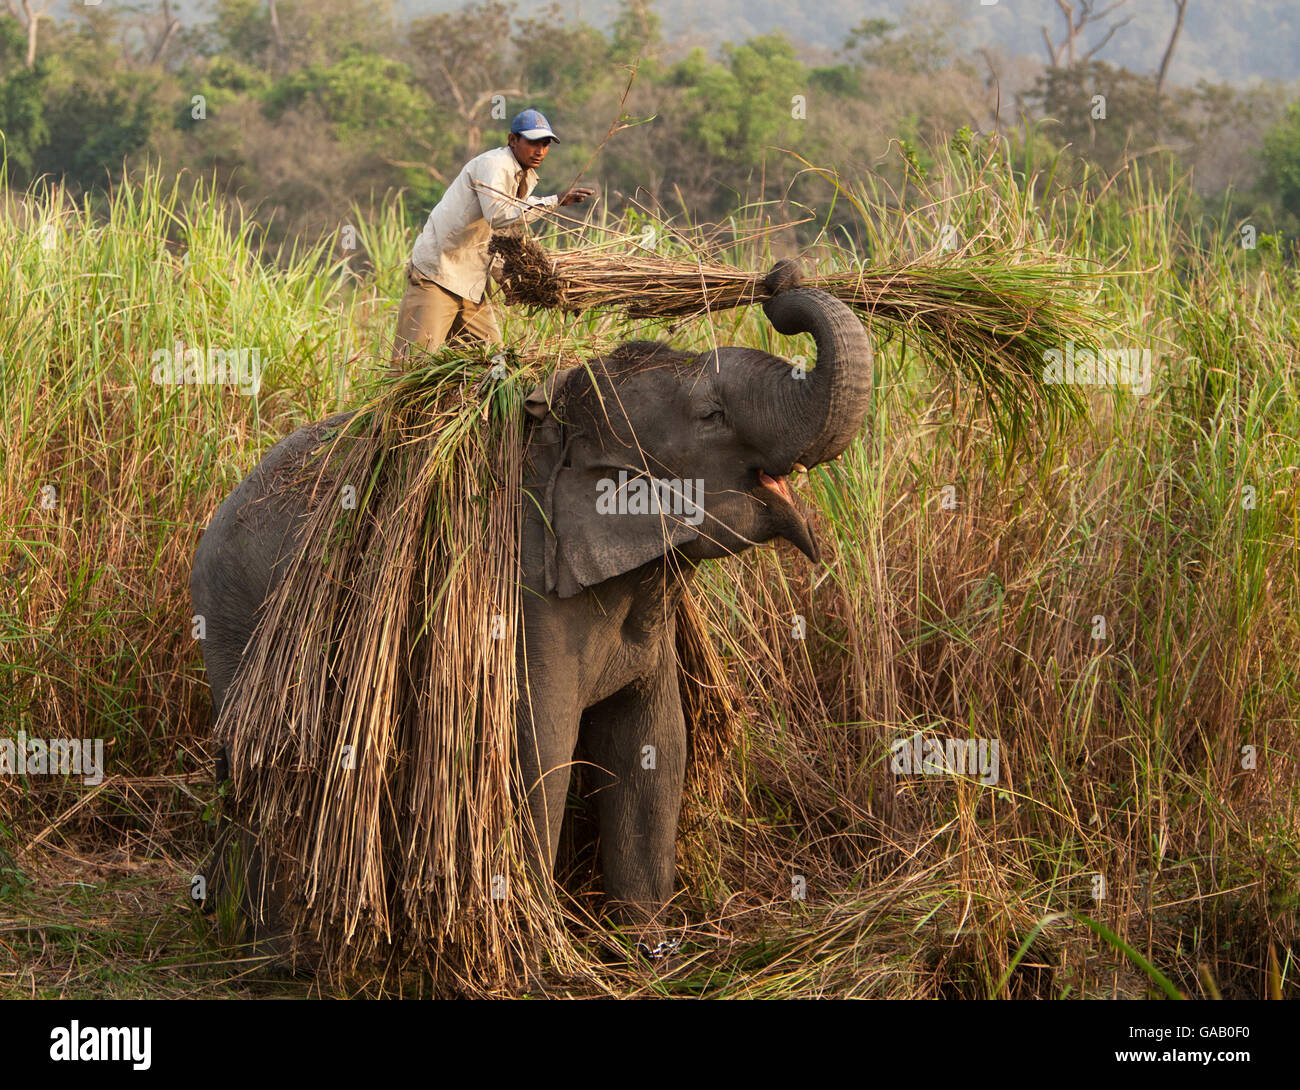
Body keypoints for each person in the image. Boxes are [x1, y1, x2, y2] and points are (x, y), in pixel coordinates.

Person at [391, 108, 596, 365]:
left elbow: (497, 235)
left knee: (494, 365)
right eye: (533, 142)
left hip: (470, 284)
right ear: (512, 140)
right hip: (438, 276)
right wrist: (555, 201)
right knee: (411, 368)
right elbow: (499, 215)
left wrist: (506, 279)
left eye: (545, 144)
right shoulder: (495, 165)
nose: (540, 150)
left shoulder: (524, 176)